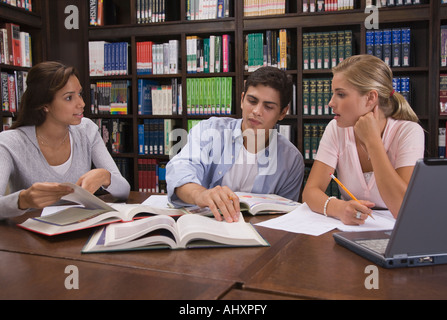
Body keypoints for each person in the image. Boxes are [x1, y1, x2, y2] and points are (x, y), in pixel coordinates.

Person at [167, 67, 304, 223]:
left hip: (258, 234)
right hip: (204, 225)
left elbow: (285, 217)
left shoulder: (291, 160)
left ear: (282, 112)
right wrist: (201, 195)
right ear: (242, 99)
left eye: (268, 107)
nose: (257, 111)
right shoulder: (210, 130)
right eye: (252, 101)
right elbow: (180, 168)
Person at [302, 54, 425, 225]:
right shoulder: (335, 129)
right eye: (333, 94)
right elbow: (310, 191)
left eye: (341, 94)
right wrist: (339, 208)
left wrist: (373, 141)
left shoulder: (409, 132)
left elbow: (402, 208)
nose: (330, 103)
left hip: (396, 233)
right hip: (350, 232)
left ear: (370, 98)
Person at [0, 61, 130, 219]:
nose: (81, 104)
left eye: (80, 94)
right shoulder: (9, 142)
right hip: (31, 238)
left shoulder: (86, 130)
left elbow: (124, 190)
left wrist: (106, 177)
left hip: (77, 232)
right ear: (45, 105)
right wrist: (23, 200)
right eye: (69, 98)